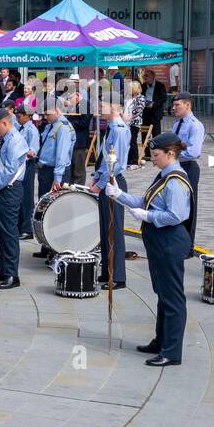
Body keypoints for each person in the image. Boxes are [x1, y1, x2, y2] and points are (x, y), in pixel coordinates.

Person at [105, 133, 193, 367]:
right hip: (159, 241)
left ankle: (172, 351)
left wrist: (147, 216)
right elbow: (147, 200)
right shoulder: (164, 175)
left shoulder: (175, 181)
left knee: (172, 298)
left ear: (170, 154)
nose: (152, 159)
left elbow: (176, 215)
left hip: (169, 242)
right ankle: (161, 340)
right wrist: (121, 196)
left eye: (155, 155)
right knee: (162, 294)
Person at [0, 108, 27, 289]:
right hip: (2, 189)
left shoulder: (15, 140)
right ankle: (4, 269)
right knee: (1, 232)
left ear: (5, 123)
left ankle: (12, 274)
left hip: (9, 189)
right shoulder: (7, 139)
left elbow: (10, 171)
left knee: (8, 233)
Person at [90, 103, 130, 289]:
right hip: (105, 181)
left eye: (102, 105)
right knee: (106, 230)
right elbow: (104, 159)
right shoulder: (111, 128)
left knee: (114, 230)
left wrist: (100, 184)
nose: (98, 109)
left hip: (113, 182)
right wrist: (96, 177)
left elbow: (117, 163)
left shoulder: (119, 130)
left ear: (113, 108)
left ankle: (118, 276)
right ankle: (107, 271)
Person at [31, 107, 77, 258]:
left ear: (57, 110)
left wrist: (57, 178)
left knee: (55, 212)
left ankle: (55, 250)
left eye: (48, 113)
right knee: (44, 210)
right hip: (46, 170)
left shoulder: (63, 128)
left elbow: (62, 155)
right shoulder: (52, 125)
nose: (45, 116)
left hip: (55, 172)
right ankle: (46, 246)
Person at [169, 93, 204, 256]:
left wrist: (173, 154)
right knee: (175, 203)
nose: (174, 108)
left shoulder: (195, 125)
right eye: (174, 105)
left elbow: (194, 152)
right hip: (175, 167)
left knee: (189, 206)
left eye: (178, 105)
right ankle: (176, 241)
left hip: (188, 167)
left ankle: (187, 247)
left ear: (188, 105)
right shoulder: (177, 125)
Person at [15, 106, 39, 239]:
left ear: (27, 116)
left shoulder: (31, 130)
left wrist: (20, 152)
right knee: (19, 196)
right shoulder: (20, 128)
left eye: (19, 117)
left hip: (27, 164)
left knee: (27, 197)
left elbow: (32, 151)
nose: (17, 119)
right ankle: (19, 227)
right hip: (20, 164)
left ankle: (27, 229)